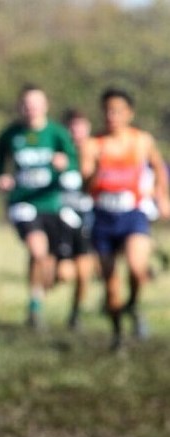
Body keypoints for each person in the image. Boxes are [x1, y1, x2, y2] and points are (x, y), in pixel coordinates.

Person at [80, 88, 169, 349]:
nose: (112, 116)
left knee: (136, 267)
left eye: (117, 111)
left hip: (133, 214)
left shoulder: (142, 141)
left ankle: (134, 305)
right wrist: (96, 171)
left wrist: (162, 196)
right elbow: (86, 185)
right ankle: (118, 333)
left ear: (129, 114)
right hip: (103, 217)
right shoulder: (93, 145)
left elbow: (159, 167)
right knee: (110, 284)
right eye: (107, 111)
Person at [0, 85, 76, 329]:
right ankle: (36, 306)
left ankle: (35, 298)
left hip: (52, 203)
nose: (31, 109)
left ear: (45, 106)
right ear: (21, 107)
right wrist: (2, 176)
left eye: (36, 104)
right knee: (38, 251)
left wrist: (65, 164)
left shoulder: (57, 133)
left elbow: (73, 161)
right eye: (26, 105)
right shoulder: (12, 134)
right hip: (24, 203)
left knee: (49, 263)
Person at [58, 108, 95, 331]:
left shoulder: (98, 151)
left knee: (83, 274)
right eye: (72, 127)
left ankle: (76, 312)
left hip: (88, 220)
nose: (77, 131)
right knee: (64, 274)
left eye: (81, 126)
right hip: (62, 220)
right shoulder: (59, 154)